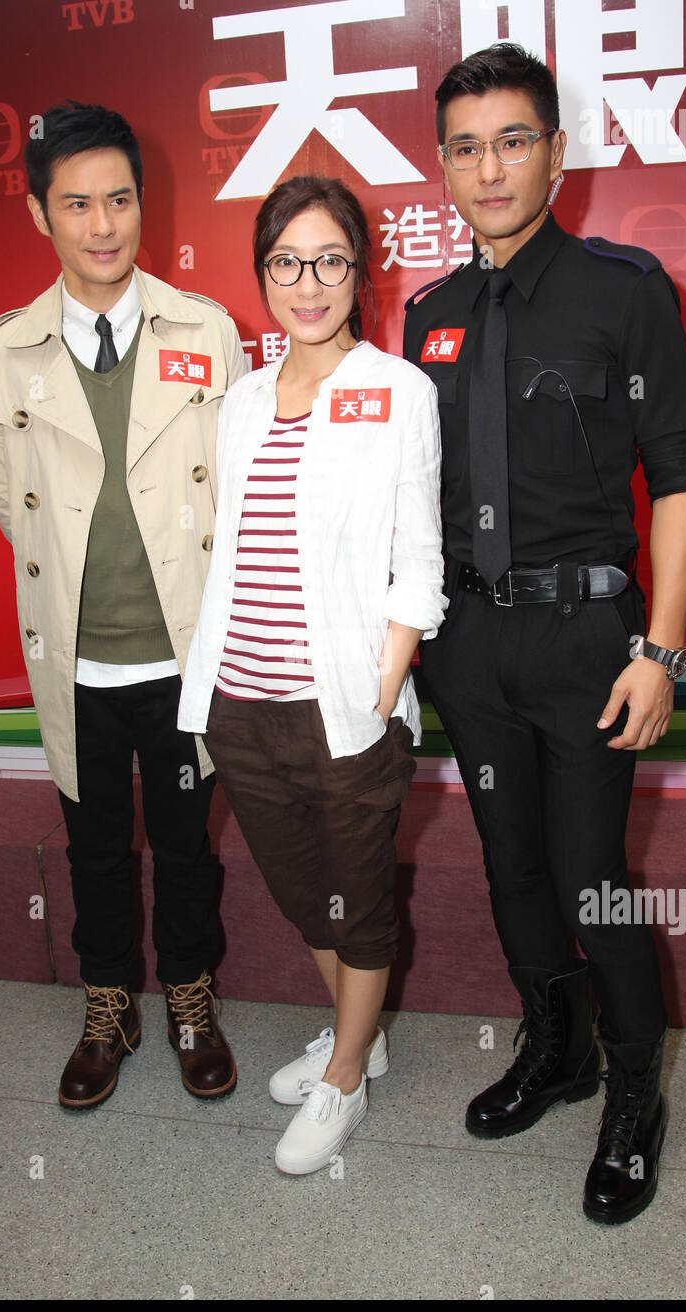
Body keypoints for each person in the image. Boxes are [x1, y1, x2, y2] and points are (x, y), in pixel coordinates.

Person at [403, 44, 686, 1223]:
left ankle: (635, 1087)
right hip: (470, 648)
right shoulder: (426, 313)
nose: (489, 168)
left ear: (555, 151)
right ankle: (559, 1047)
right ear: (441, 165)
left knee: (594, 885)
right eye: (466, 146)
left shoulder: (624, 291)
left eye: (512, 140)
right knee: (510, 867)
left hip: (590, 644)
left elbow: (677, 481)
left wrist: (661, 651)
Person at [0, 101, 246, 1110]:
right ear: (41, 214)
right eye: (75, 203)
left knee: (183, 845)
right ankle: (107, 1004)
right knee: (92, 847)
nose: (101, 226)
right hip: (79, 664)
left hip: (179, 659)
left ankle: (187, 997)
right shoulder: (6, 353)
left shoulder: (206, 330)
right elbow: (16, 508)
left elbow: (231, 487)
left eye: (119, 200)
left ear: (144, 203)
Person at [178, 175, 447, 1175]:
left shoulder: (398, 390)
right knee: (303, 897)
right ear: (260, 275)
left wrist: (380, 686)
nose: (308, 281)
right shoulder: (240, 400)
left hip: (344, 711)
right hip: (239, 703)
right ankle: (358, 1035)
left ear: (357, 272)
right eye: (286, 261)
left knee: (359, 900)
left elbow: (418, 561)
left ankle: (343, 1079)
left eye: (329, 259)